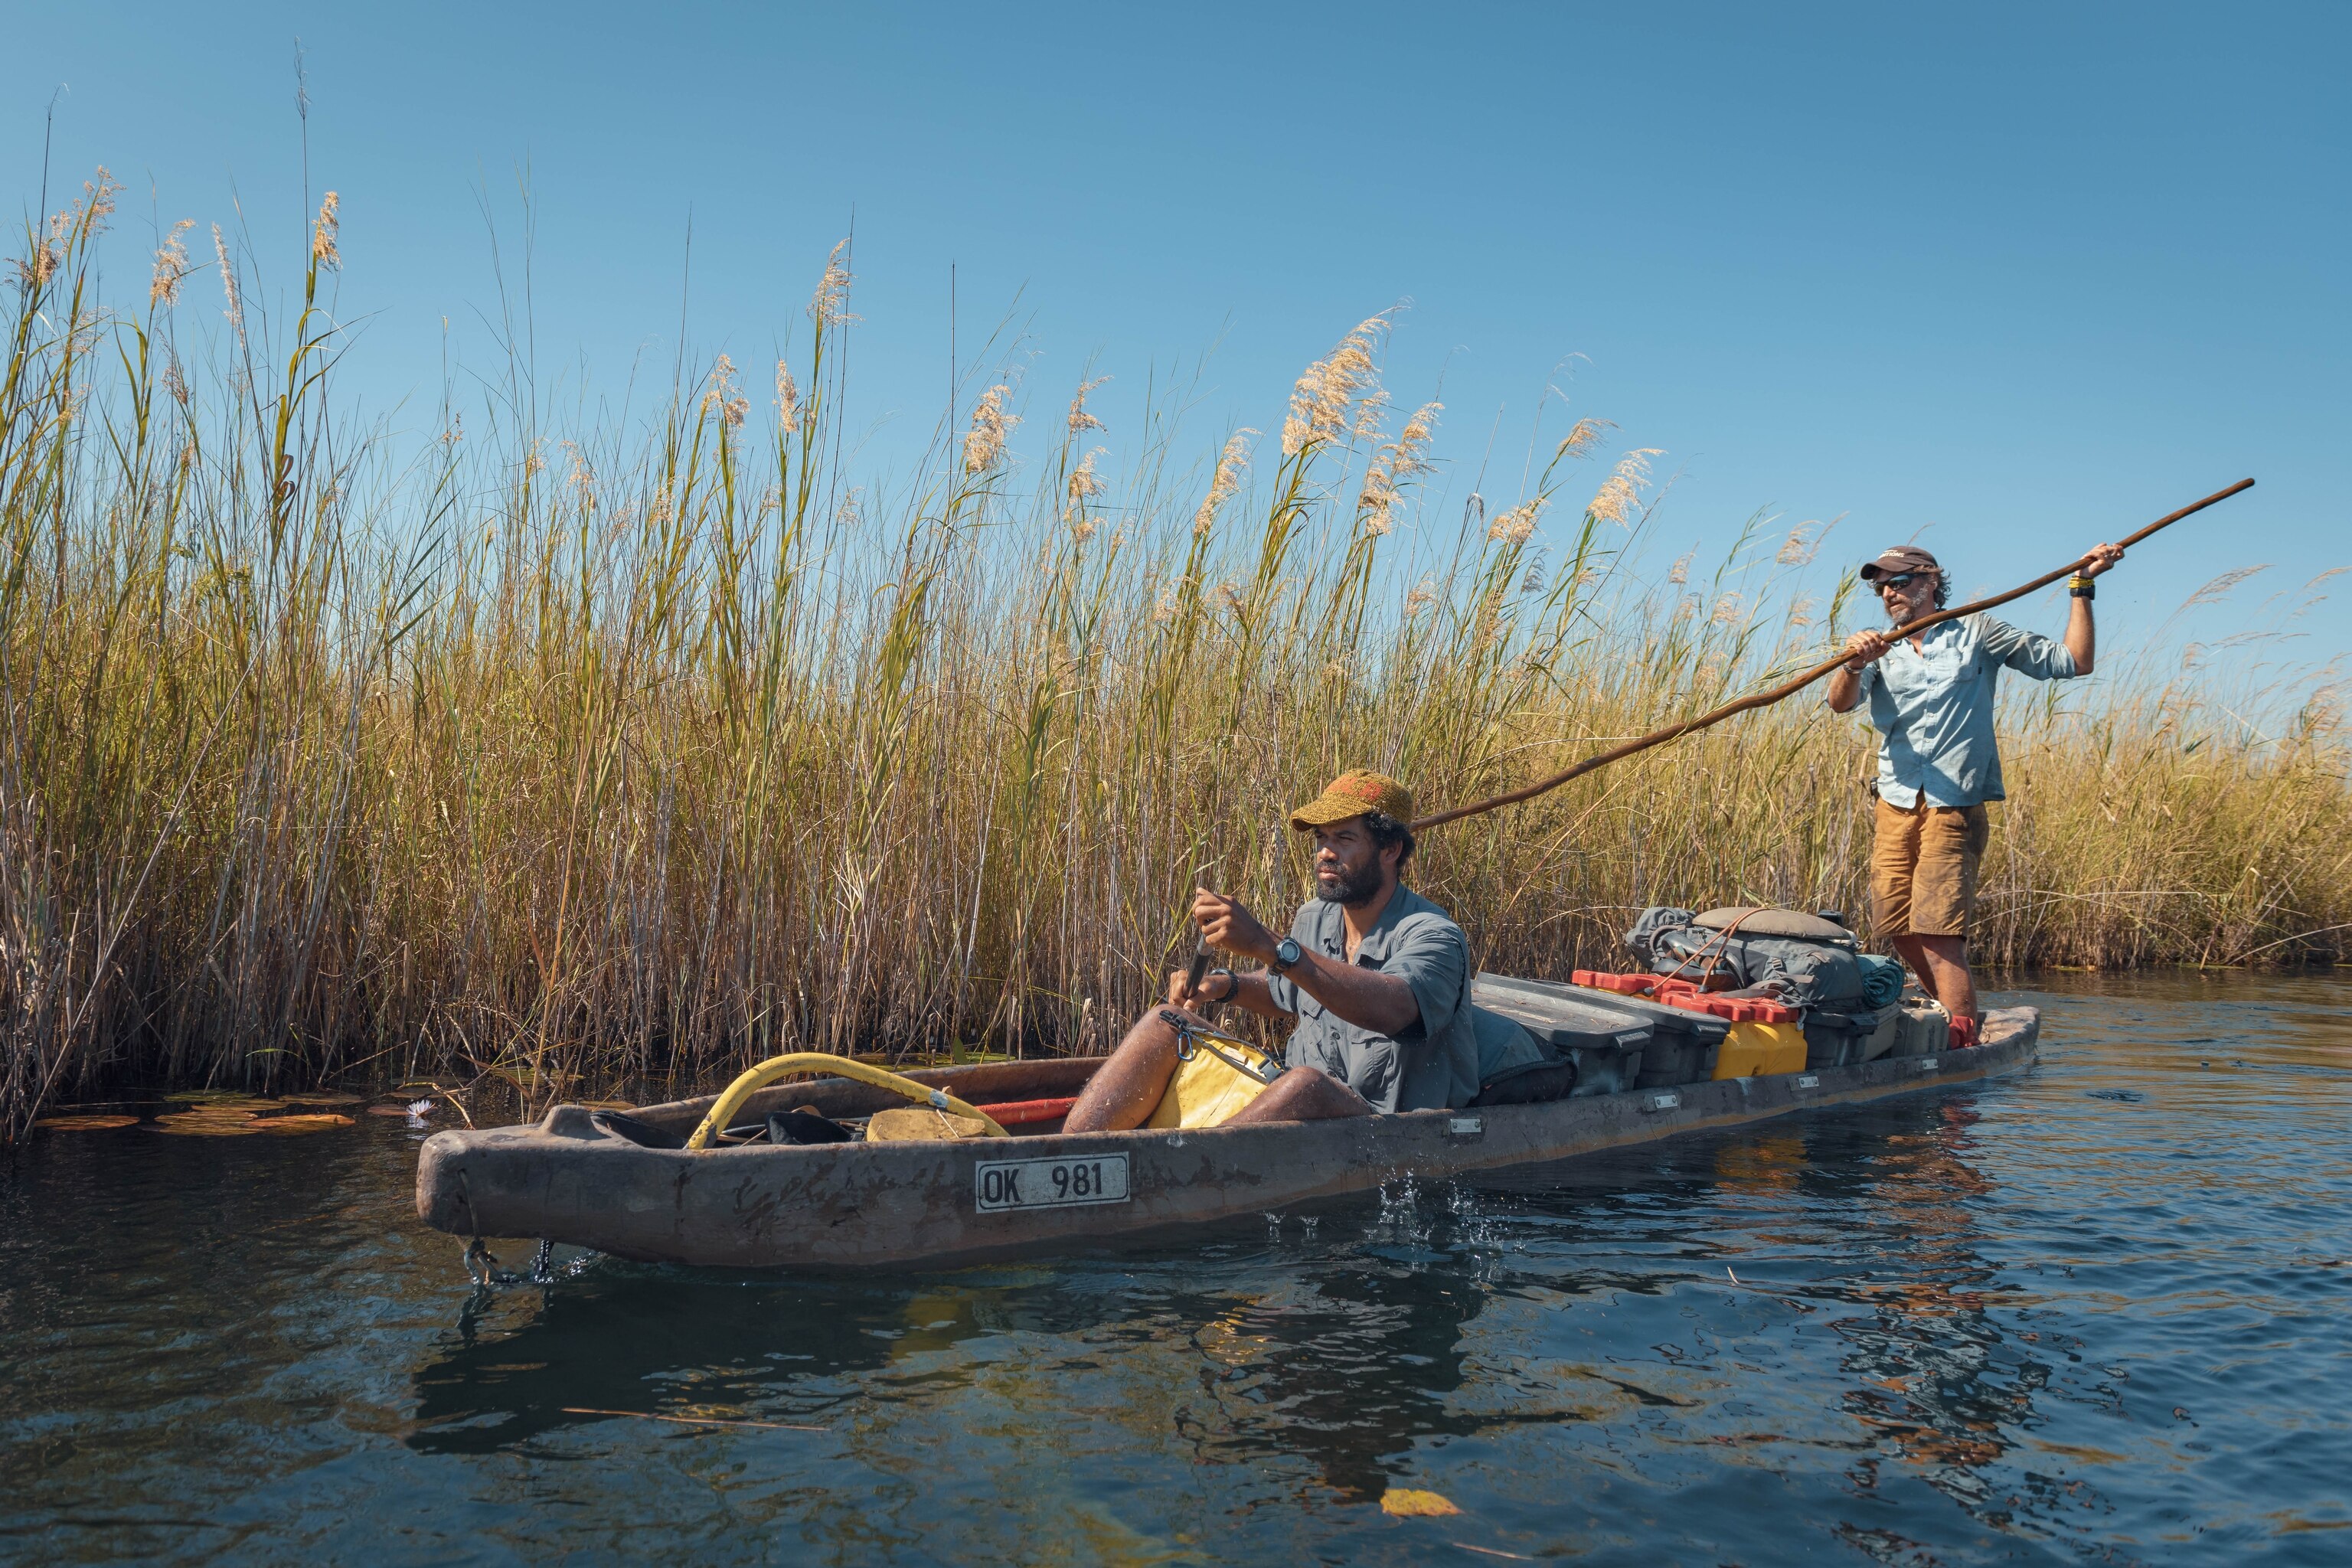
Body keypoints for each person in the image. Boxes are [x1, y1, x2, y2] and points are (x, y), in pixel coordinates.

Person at [1063, 769, 1481, 1132]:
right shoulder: (1315, 918)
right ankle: (1067, 1160)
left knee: (1307, 1084)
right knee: (1167, 1021)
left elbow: (1392, 1008)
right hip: (1295, 1097)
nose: (1324, 852)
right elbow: (1287, 990)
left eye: (1345, 838)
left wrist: (1268, 945)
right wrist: (1224, 985)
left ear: (1390, 850)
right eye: (1321, 838)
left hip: (1380, 1127)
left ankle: (1186, 1166)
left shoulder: (1434, 936)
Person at [1824, 540, 2125, 1039]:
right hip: (1895, 800)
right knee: (1896, 927)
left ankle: (1959, 1047)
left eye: (1899, 583)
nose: (1888, 594)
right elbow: (1840, 704)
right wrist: (1853, 664)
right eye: (1882, 587)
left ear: (1930, 583)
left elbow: (2074, 661)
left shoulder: (1978, 632)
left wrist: (2082, 586)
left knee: (1939, 932)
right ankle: (1952, 1016)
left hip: (1954, 802)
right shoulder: (1881, 648)